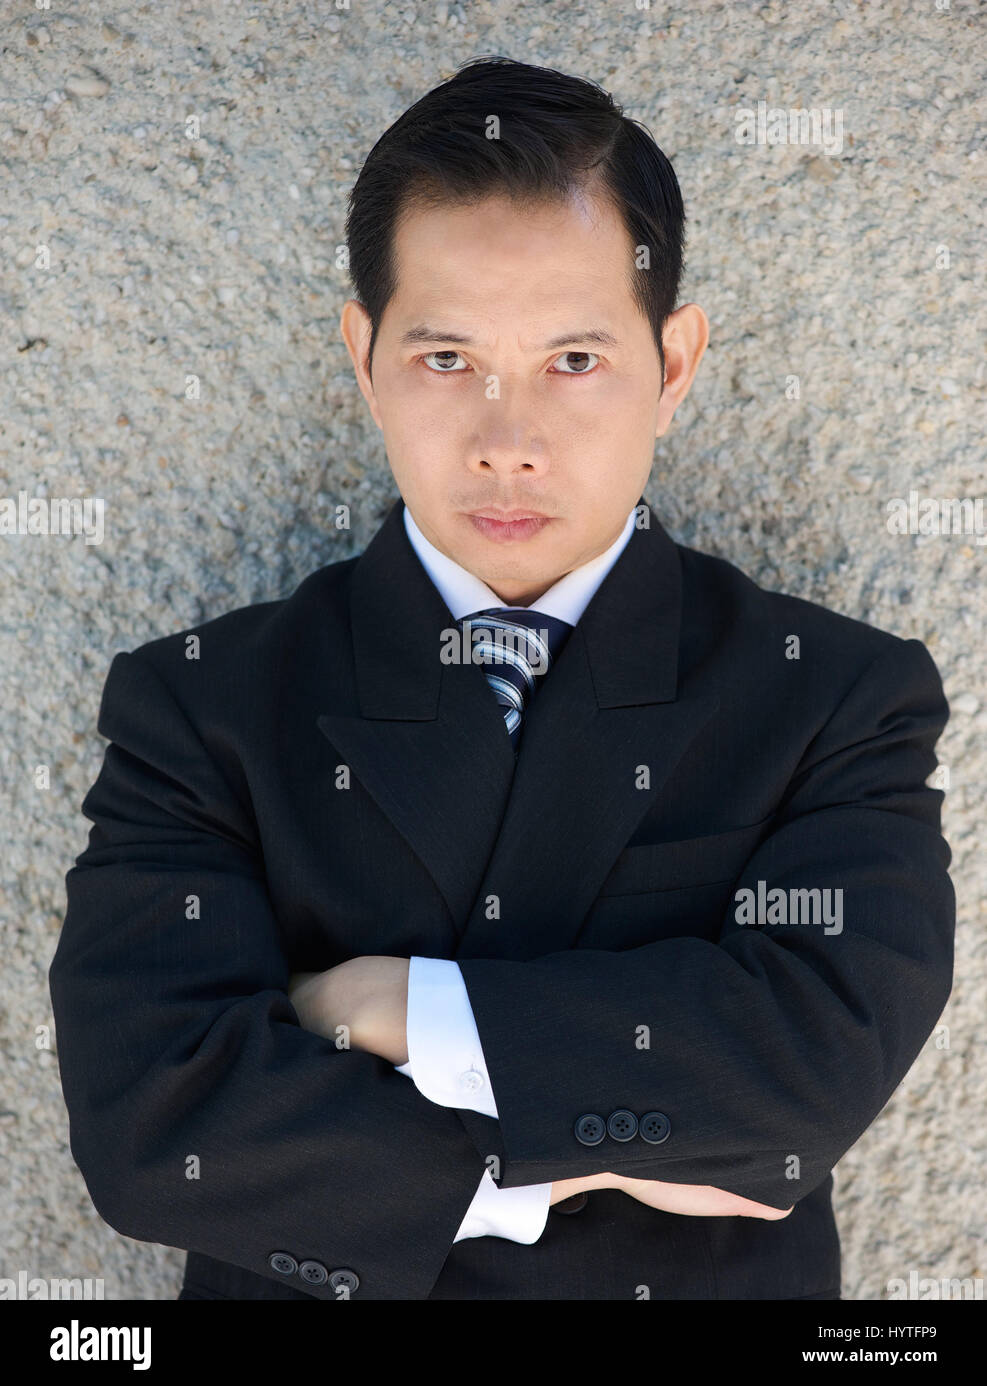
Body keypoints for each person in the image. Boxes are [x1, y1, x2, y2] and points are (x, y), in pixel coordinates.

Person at [49, 56, 954, 1301]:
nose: (507, 440)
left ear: (673, 364)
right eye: (445, 359)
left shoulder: (833, 699)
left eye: (573, 361)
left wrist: (403, 1009)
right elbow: (156, 1126)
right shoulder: (202, 709)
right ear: (364, 356)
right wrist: (599, 1140)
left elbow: (807, 1077)